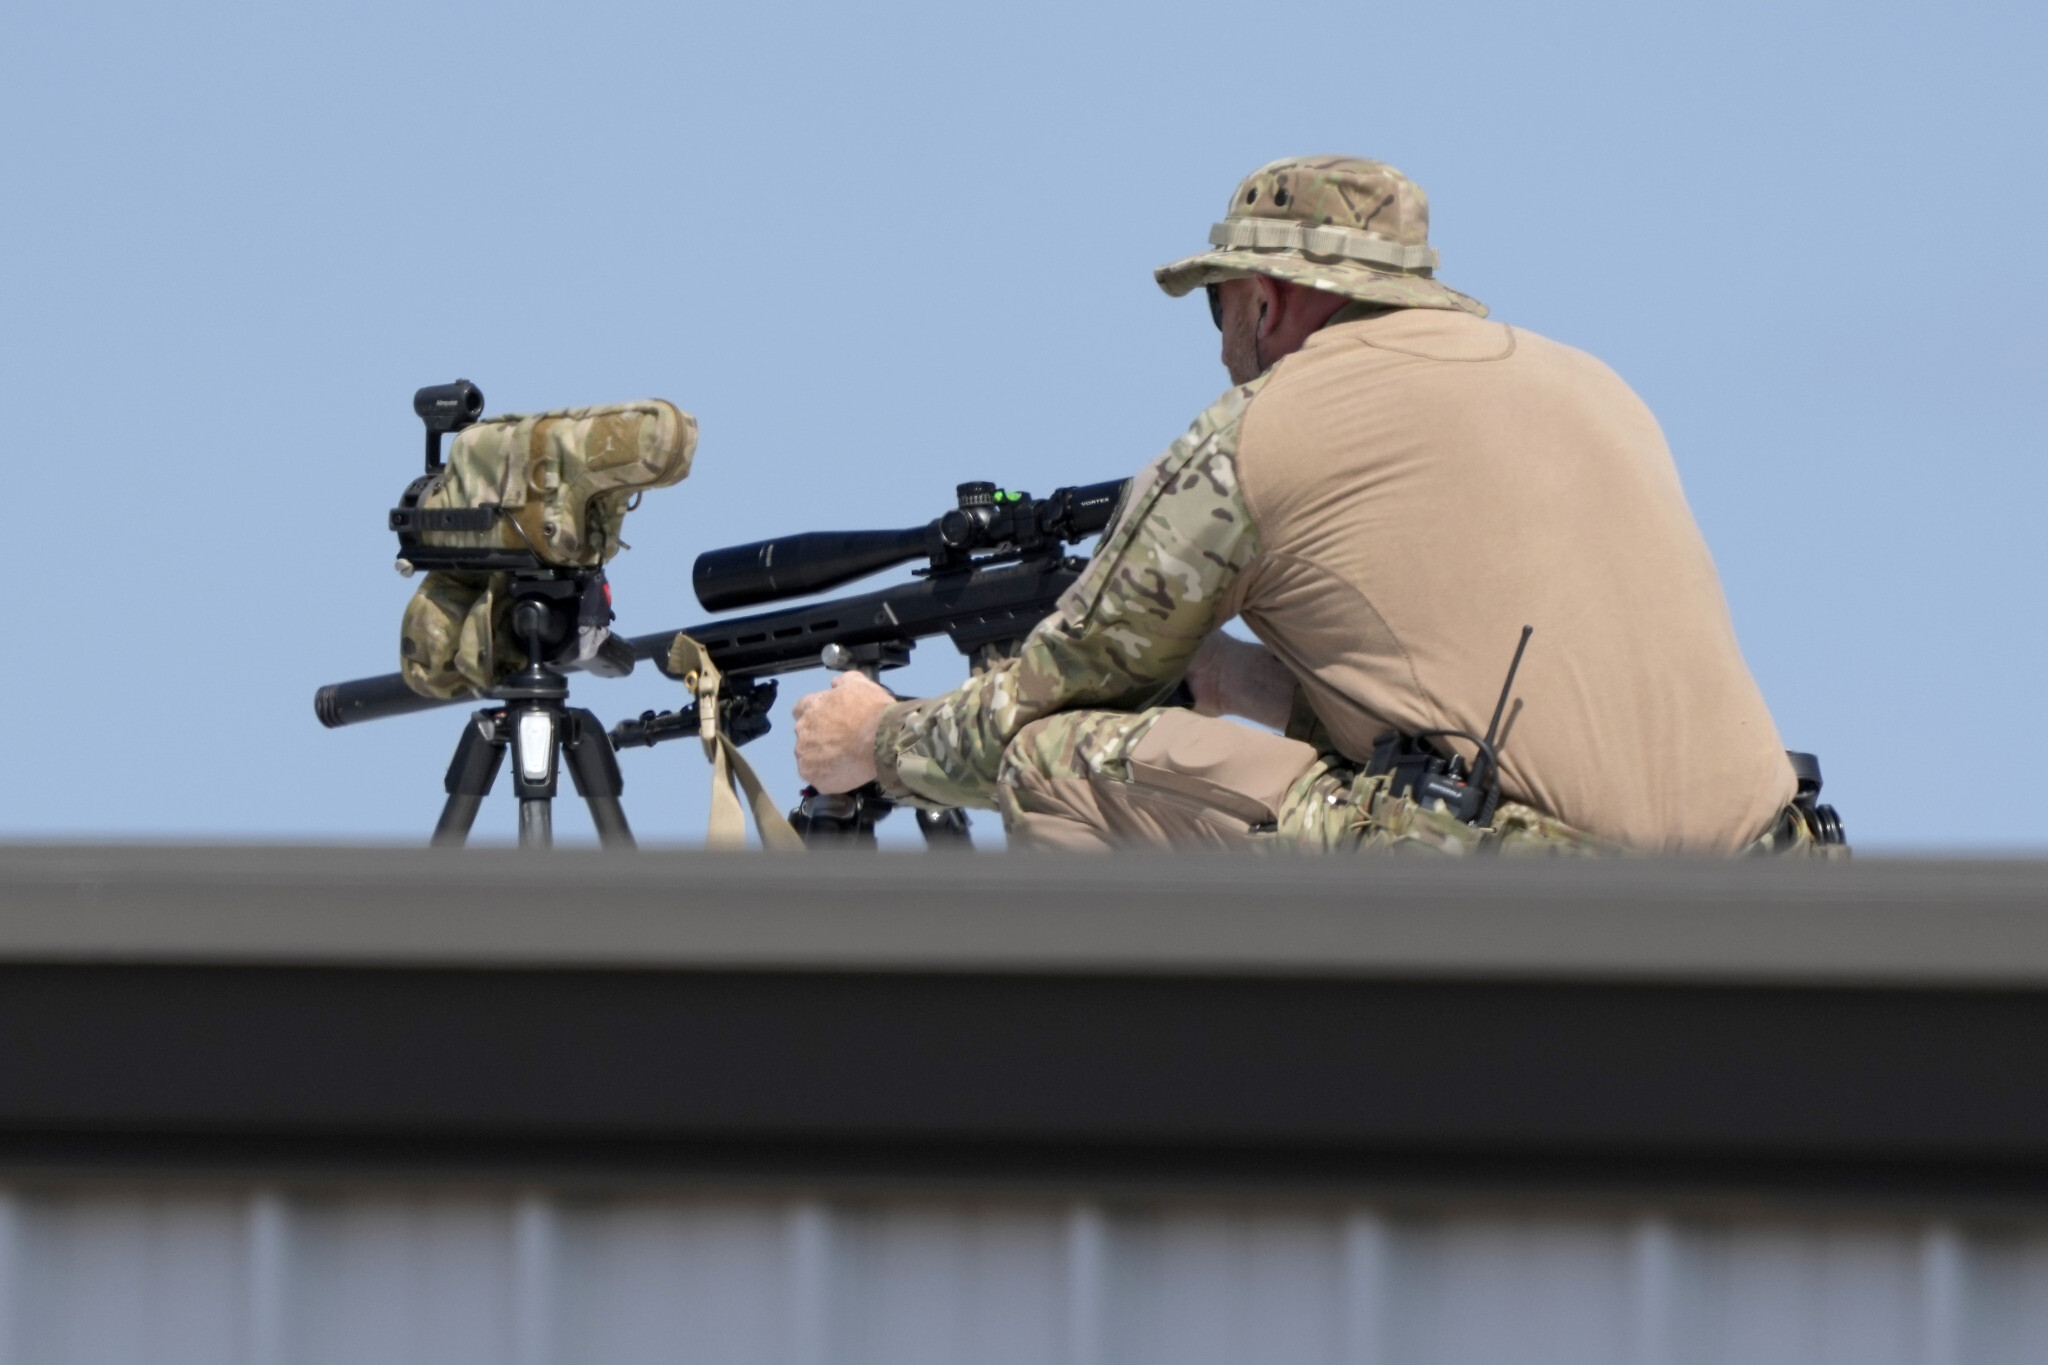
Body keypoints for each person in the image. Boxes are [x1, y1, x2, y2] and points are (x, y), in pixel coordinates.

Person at [791, 155, 1832, 855]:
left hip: (1530, 891)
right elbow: (1478, 694)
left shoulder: (1249, 435)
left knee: (1049, 762)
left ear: (1266, 298)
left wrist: (874, 741)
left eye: (1216, 304)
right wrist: (1242, 681)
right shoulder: (1593, 384)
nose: (1218, 340)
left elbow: (1047, 699)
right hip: (1770, 875)